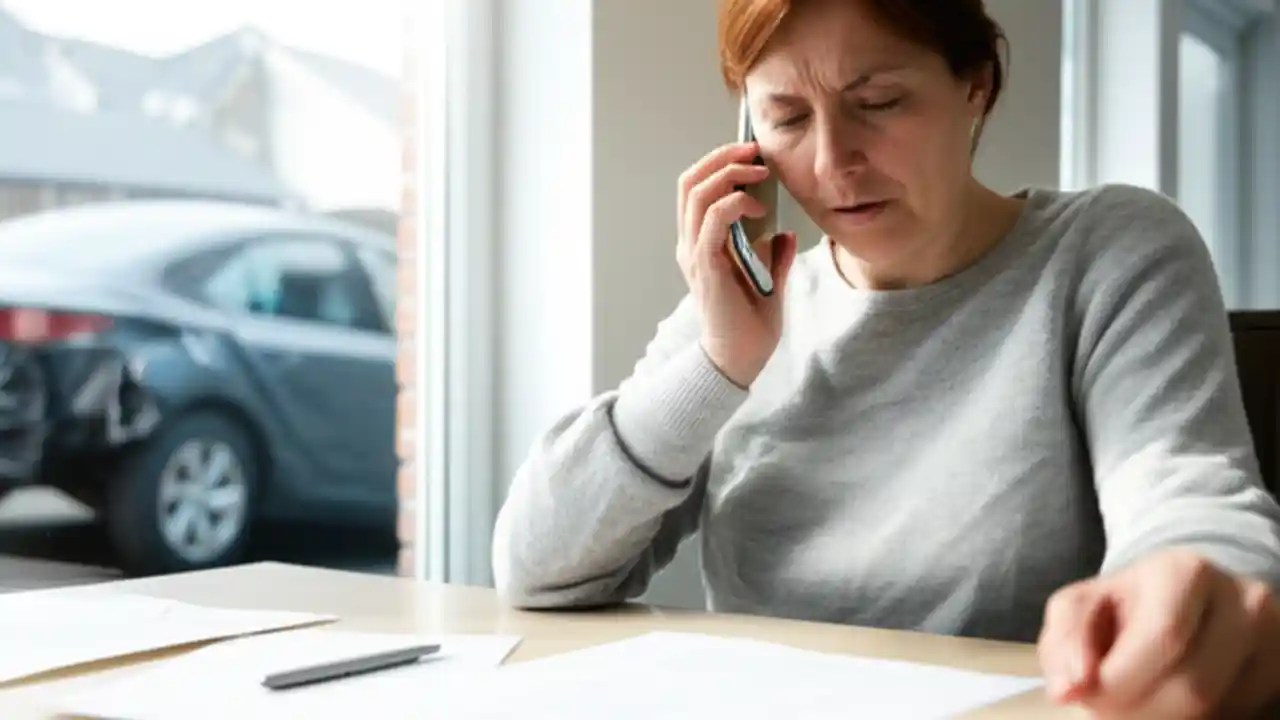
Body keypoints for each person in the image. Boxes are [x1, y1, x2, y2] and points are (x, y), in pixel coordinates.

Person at [492, 0, 1280, 715]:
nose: (833, 164)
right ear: (747, 137)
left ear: (977, 86)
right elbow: (537, 567)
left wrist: (1188, 587)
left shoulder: (1106, 251)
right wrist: (719, 363)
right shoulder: (743, 305)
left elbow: (1187, 490)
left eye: (878, 103)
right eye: (788, 117)